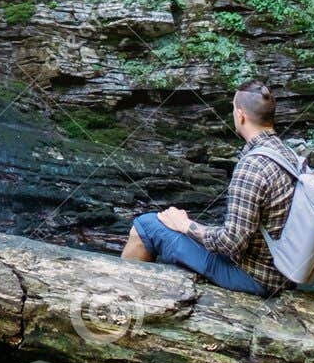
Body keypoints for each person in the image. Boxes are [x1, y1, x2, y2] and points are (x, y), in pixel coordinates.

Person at [121, 79, 297, 296]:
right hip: (285, 273)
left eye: (233, 109)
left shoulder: (253, 167)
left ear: (240, 115)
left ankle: (120, 302)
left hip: (255, 277)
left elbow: (232, 244)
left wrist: (185, 225)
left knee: (145, 226)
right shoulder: (290, 156)